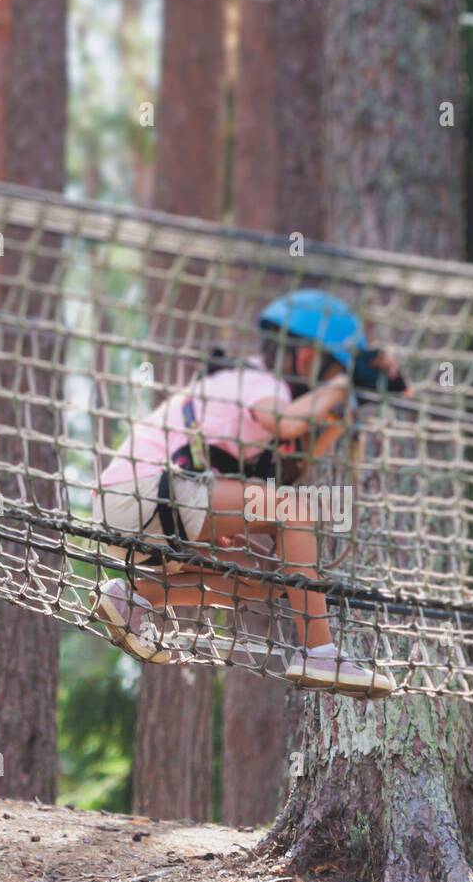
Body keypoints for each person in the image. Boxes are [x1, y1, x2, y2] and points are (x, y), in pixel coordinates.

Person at [88, 289, 400, 696]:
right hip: (141, 493)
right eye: (328, 372)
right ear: (306, 356)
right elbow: (287, 425)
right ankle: (320, 652)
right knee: (292, 510)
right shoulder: (254, 379)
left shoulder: (256, 394)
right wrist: (343, 385)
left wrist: (344, 410)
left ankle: (131, 597)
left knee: (266, 578)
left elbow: (287, 468)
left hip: (144, 517)